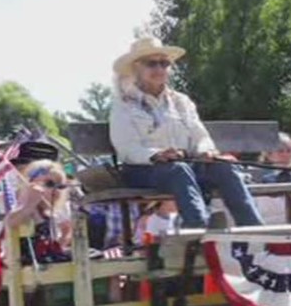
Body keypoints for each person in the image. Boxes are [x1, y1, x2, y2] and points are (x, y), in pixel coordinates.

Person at [108, 36, 263, 228]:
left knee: (225, 167)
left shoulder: (181, 101)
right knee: (177, 170)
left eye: (164, 63)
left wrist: (207, 151)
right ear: (136, 68)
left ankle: (254, 228)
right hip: (144, 170)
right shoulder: (123, 105)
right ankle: (198, 227)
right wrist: (157, 154)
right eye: (152, 64)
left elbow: (201, 136)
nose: (159, 69)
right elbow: (127, 149)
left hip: (186, 166)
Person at [5, 160, 73, 265]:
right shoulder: (26, 206)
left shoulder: (51, 213)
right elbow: (10, 222)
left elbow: (55, 244)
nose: (56, 190)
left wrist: (64, 237)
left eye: (60, 186)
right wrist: (29, 205)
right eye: (49, 183)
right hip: (24, 263)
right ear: (32, 183)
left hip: (45, 262)